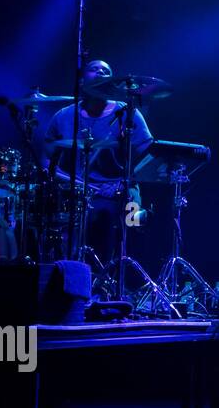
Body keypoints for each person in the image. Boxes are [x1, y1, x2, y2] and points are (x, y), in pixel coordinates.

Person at [44, 60, 152, 273]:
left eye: (107, 71)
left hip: (121, 187)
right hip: (76, 189)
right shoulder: (64, 116)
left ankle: (105, 279)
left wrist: (124, 182)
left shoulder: (127, 114)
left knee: (120, 217)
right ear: (82, 79)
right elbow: (47, 156)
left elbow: (146, 154)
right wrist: (57, 177)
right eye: (95, 69)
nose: (101, 72)